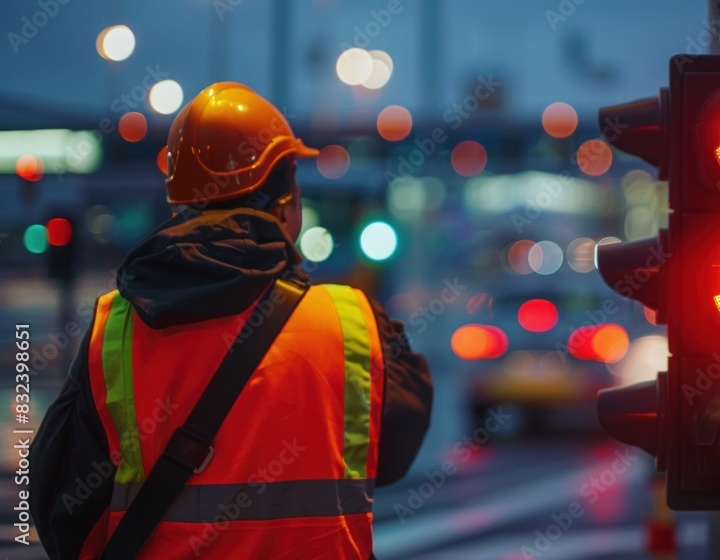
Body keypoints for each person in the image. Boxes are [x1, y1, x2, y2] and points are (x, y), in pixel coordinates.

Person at [29, 82, 433, 559]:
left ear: (179, 203)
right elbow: (392, 457)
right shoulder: (351, 324)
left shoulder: (113, 327)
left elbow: (60, 508)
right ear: (285, 197)